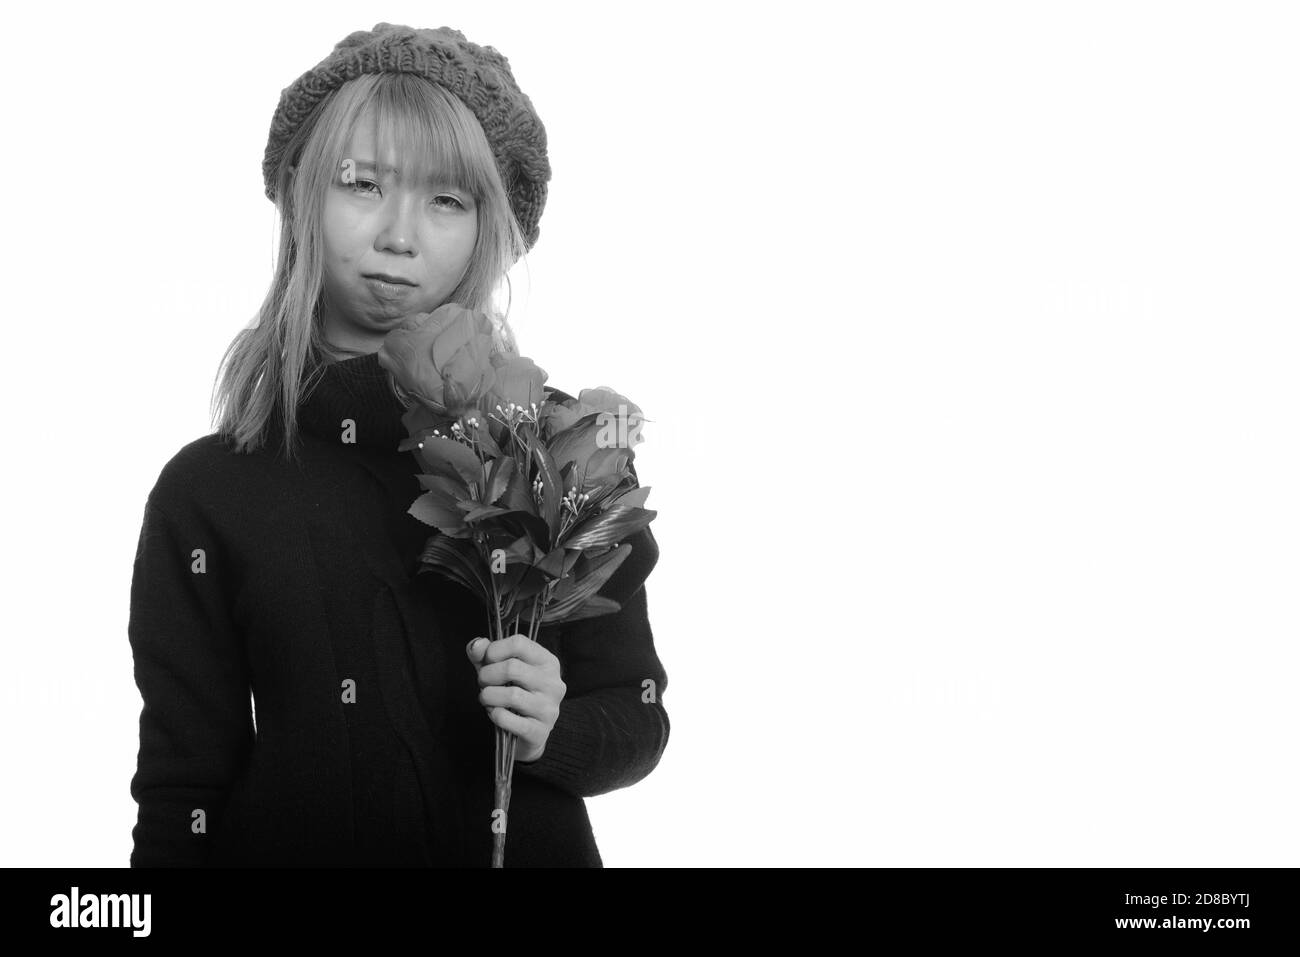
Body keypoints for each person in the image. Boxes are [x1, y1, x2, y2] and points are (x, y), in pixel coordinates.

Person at [127, 23, 669, 867]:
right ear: (305, 193)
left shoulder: (560, 450)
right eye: (363, 184)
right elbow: (182, 793)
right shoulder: (206, 492)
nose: (400, 235)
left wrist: (551, 730)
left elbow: (637, 716)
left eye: (446, 200)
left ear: (488, 224)